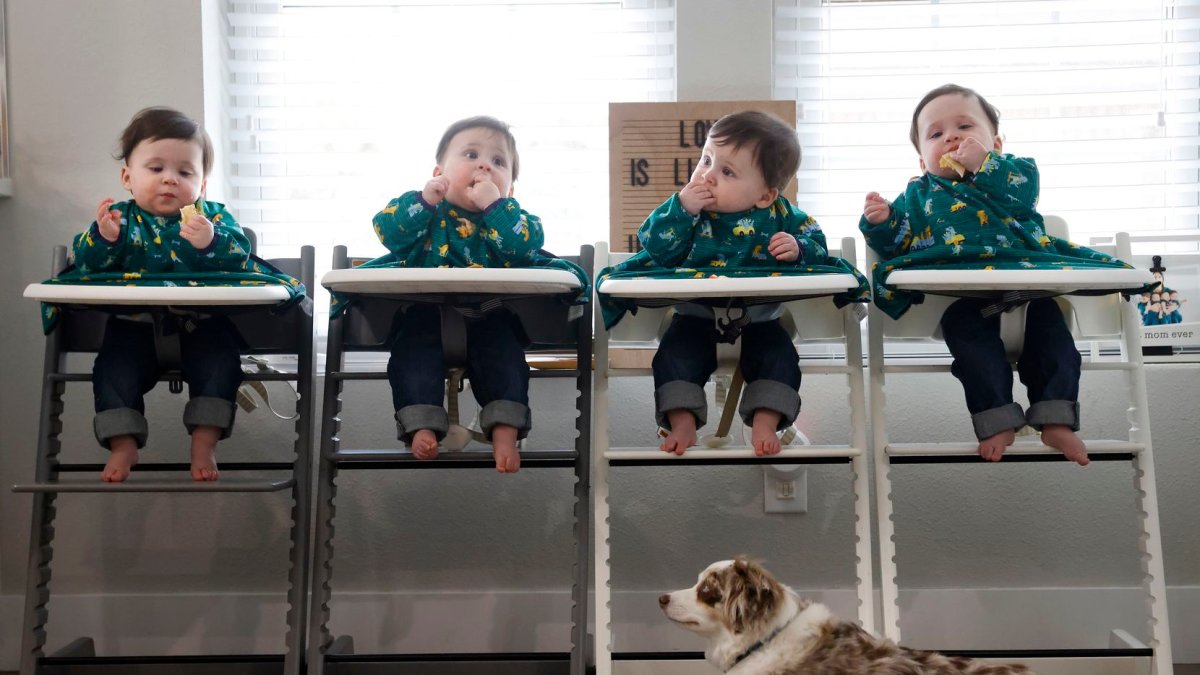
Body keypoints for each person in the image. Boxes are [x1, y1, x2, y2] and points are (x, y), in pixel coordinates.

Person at [860, 84, 1136, 466]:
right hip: (967, 301)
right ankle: (996, 419)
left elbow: (1024, 195)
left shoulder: (1013, 174)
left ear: (997, 143)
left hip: (1032, 292)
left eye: (964, 127)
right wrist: (883, 221)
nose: (952, 137)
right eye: (935, 134)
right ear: (923, 162)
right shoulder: (919, 196)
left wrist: (985, 164)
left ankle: (1056, 420)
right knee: (972, 354)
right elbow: (899, 242)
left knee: (1058, 348)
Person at [622, 110, 832, 457]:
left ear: (766, 196)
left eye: (727, 171)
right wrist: (681, 209)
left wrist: (798, 249)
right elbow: (655, 246)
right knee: (673, 357)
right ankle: (683, 420)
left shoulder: (783, 216)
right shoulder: (687, 212)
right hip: (695, 317)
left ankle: (765, 420)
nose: (707, 174)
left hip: (760, 320)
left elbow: (820, 248)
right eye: (706, 159)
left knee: (780, 358)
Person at [73, 107, 253, 482]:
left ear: (202, 185)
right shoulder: (119, 221)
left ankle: (204, 442)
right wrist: (103, 239)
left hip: (201, 327)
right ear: (127, 177)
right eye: (156, 169)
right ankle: (124, 445)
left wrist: (211, 242)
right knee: (111, 371)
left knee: (222, 365)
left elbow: (241, 258)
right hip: (131, 328)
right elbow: (86, 265)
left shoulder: (211, 218)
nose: (170, 180)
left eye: (185, 172)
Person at [372, 116, 547, 474]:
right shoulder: (424, 214)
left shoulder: (511, 218)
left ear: (509, 189)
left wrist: (496, 208)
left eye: (499, 163)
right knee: (410, 357)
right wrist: (423, 200)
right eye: (471, 154)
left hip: (490, 312)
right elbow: (387, 231)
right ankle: (422, 424)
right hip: (426, 311)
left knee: (507, 360)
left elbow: (523, 249)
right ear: (440, 172)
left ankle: (504, 432)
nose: (484, 165)